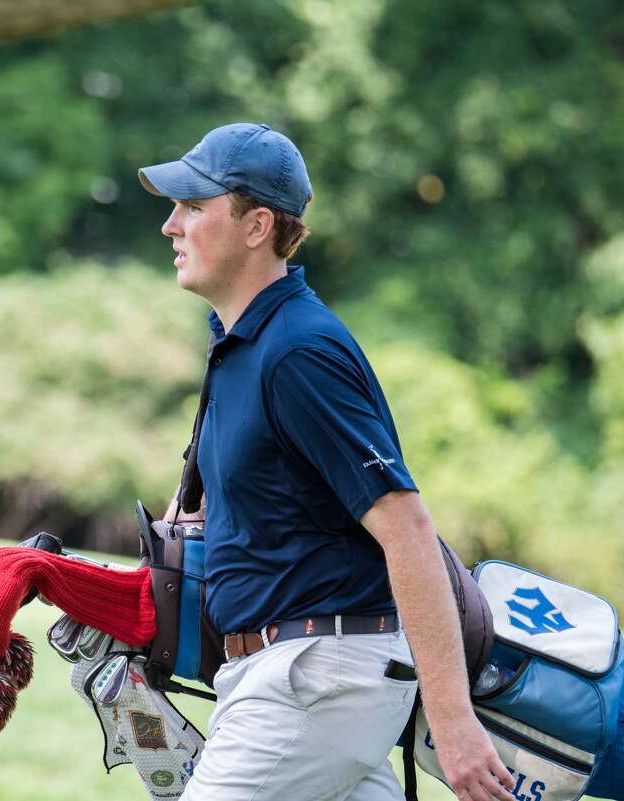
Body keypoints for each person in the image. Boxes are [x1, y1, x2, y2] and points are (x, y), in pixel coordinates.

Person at [137, 123, 517, 801]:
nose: (171, 225)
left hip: (314, 680)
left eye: (194, 207)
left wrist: (453, 720)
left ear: (257, 226)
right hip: (297, 678)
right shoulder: (240, 342)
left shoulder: (299, 353)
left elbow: (408, 528)